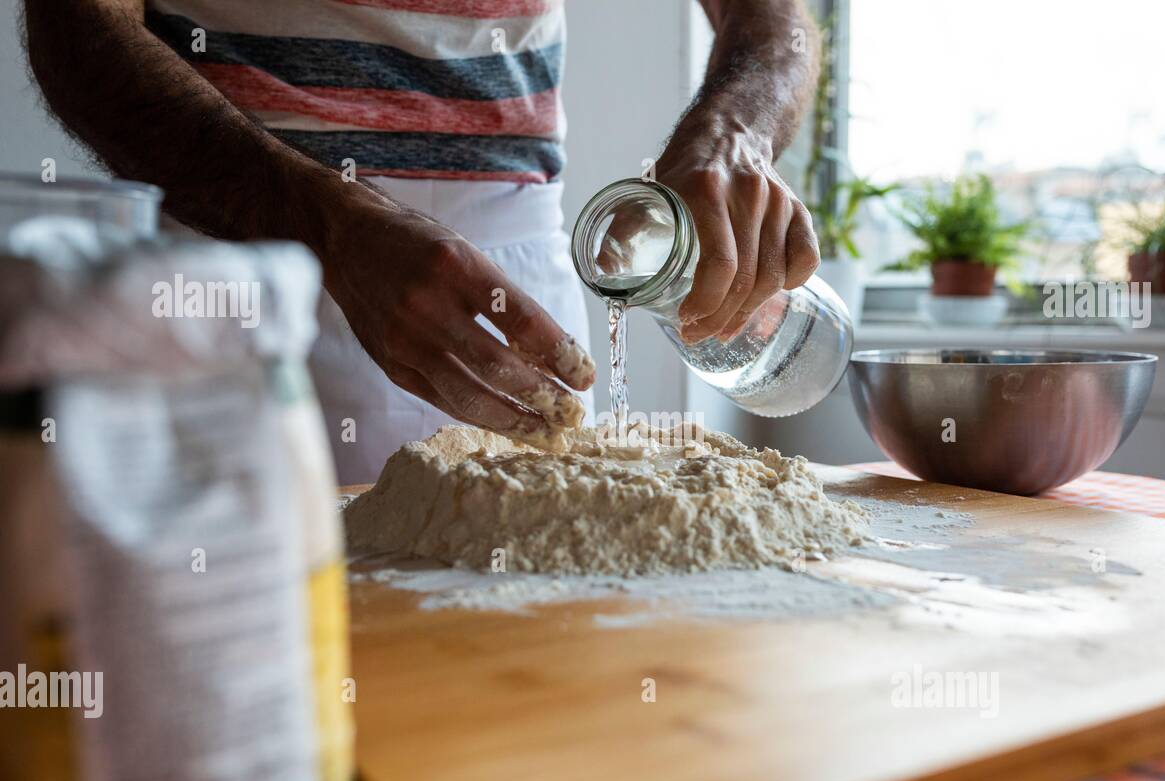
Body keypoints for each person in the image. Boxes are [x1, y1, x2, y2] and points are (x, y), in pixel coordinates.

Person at [23, 0, 821, 482]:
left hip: (520, 287)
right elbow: (76, 25)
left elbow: (772, 16)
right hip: (237, 266)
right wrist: (324, 222)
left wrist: (733, 132)